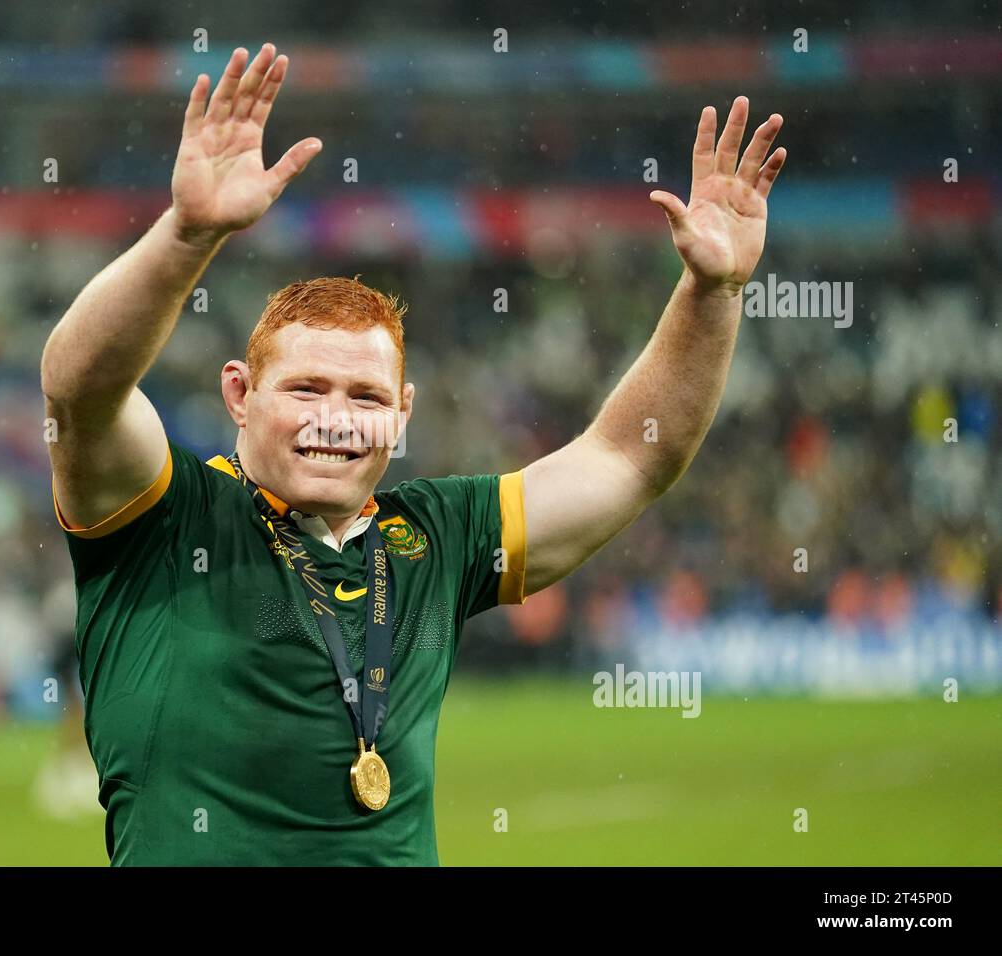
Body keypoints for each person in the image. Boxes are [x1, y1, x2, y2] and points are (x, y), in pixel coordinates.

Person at [40, 43, 786, 865]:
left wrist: (711, 293)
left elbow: (632, 459)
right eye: (305, 389)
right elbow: (79, 390)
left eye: (365, 399)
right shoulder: (165, 516)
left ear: (402, 418)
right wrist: (187, 235)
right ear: (238, 395)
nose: (337, 419)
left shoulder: (439, 536)